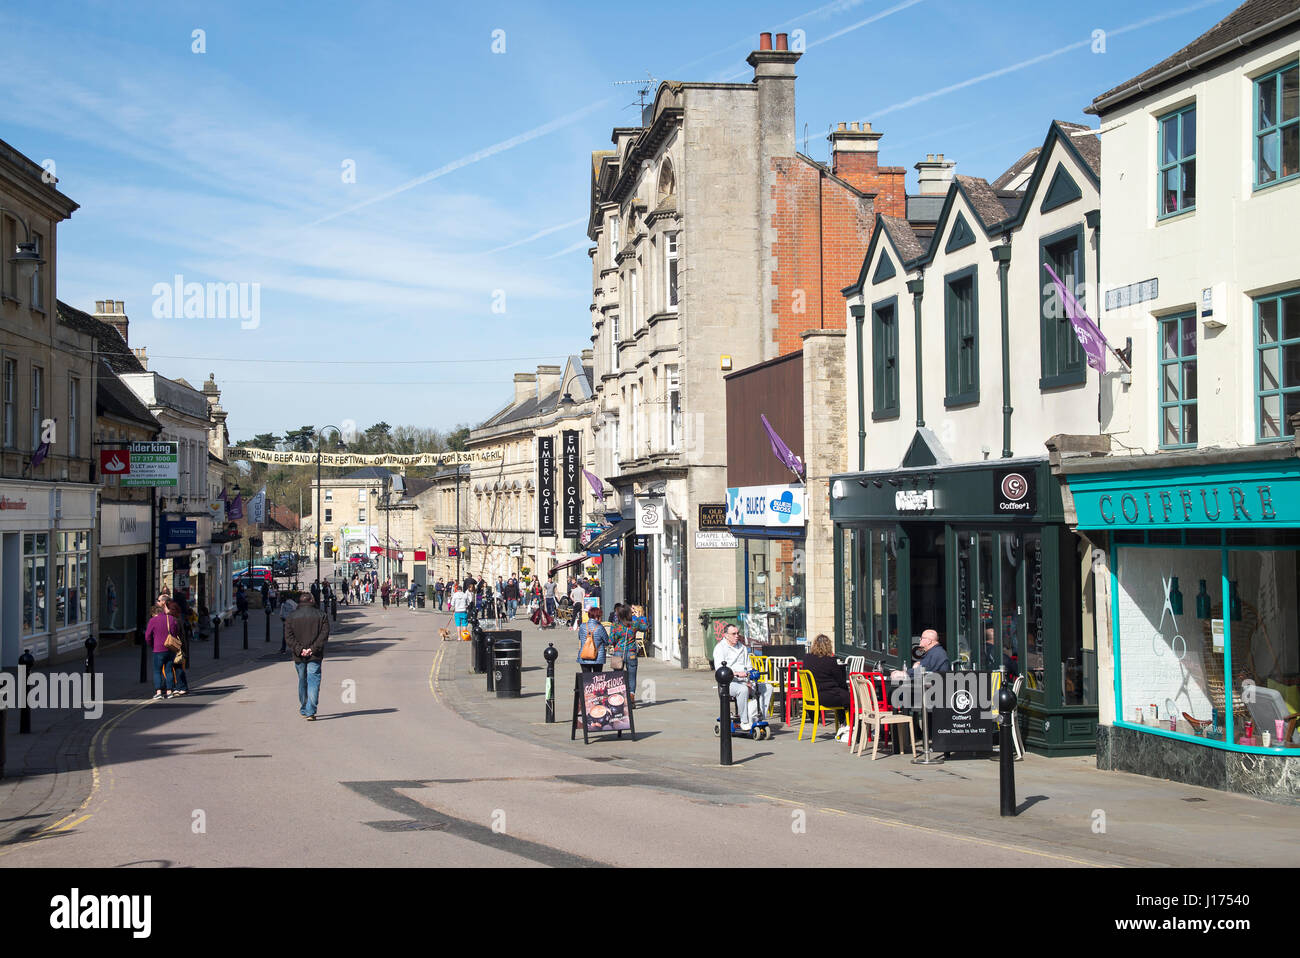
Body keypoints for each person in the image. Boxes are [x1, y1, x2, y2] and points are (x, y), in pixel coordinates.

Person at [713, 623, 770, 730]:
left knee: (767, 688)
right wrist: (736, 673)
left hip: (745, 680)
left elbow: (748, 666)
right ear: (726, 635)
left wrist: (750, 676)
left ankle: (757, 716)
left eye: (737, 633)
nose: (737, 636)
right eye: (733, 634)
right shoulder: (720, 648)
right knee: (743, 690)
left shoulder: (743, 648)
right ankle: (744, 721)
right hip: (729, 683)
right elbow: (720, 670)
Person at [285, 591, 330, 720]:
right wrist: (312, 649)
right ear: (311, 601)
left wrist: (300, 650)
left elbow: (288, 637)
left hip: (299, 655)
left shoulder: (292, 616)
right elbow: (324, 635)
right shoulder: (321, 616)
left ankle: (305, 707)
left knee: (302, 680)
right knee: (313, 680)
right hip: (315, 654)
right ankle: (310, 710)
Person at [610, 604, 648, 708]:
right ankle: (631, 697)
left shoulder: (615, 625)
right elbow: (645, 627)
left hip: (618, 653)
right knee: (632, 677)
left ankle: (618, 699)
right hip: (631, 653)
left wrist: (616, 643)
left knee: (617, 677)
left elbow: (611, 640)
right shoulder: (634, 624)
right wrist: (640, 616)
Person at [144, 597, 181, 700]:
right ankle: (169, 691)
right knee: (169, 670)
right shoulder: (171, 619)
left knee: (157, 671)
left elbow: (147, 636)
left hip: (158, 649)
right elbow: (175, 632)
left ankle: (159, 692)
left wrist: (152, 644)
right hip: (170, 648)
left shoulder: (153, 620)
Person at [802, 634, 850, 709]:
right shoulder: (830, 660)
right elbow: (840, 681)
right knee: (847, 696)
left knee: (842, 693)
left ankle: (815, 717)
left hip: (810, 695)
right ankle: (845, 719)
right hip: (826, 697)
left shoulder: (806, 658)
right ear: (829, 646)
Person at [164, 598, 191, 696]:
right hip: (176, 646)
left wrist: (184, 650)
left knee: (177, 667)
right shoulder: (176, 620)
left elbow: (180, 635)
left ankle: (181, 687)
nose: (165, 610)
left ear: (171, 610)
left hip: (174, 646)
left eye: (166, 609)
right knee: (176, 667)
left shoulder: (174, 620)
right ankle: (179, 687)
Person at [576, 606, 610, 673]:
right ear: (597, 617)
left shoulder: (582, 626)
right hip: (598, 657)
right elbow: (607, 641)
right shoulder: (600, 627)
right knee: (596, 679)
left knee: (586, 679)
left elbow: (580, 637)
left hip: (584, 656)